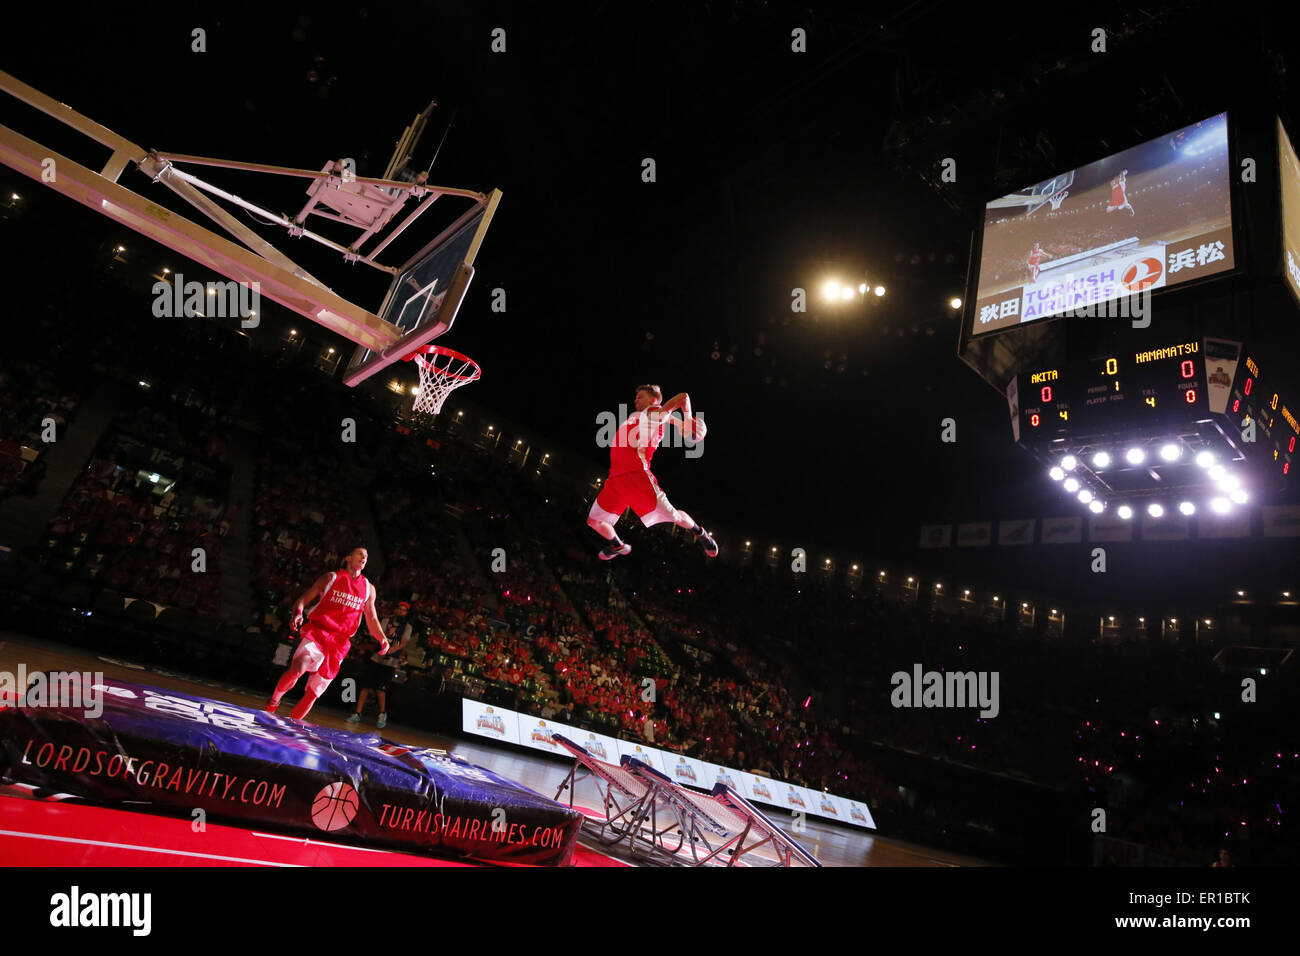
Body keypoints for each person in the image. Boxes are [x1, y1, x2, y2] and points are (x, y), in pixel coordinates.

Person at [586, 384, 717, 561]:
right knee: (594, 521)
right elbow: (668, 416)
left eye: (640, 396)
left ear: (653, 400)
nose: (635, 400)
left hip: (636, 477)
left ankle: (700, 533)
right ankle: (617, 545)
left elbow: (683, 397)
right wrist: (681, 423)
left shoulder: (654, 412)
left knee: (675, 516)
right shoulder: (643, 415)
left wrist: (687, 419)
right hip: (616, 478)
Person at [266, 547, 388, 721]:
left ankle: (290, 726)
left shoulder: (369, 589)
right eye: (360, 553)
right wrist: (298, 613)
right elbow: (303, 599)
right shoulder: (331, 578)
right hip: (318, 632)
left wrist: (382, 637)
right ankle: (273, 702)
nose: (364, 557)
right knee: (298, 668)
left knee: (313, 693)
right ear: (348, 558)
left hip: (339, 642)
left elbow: (372, 618)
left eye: (367, 556)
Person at [347, 601, 413, 729]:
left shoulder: (407, 627)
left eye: (404, 610)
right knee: (366, 685)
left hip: (391, 661)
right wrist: (387, 636)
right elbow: (378, 634)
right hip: (377, 657)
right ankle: (357, 713)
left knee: (381, 689)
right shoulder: (386, 620)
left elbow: (404, 642)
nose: (401, 611)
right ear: (396, 609)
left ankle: (382, 714)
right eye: (400, 608)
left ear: (407, 613)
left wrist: (394, 649)